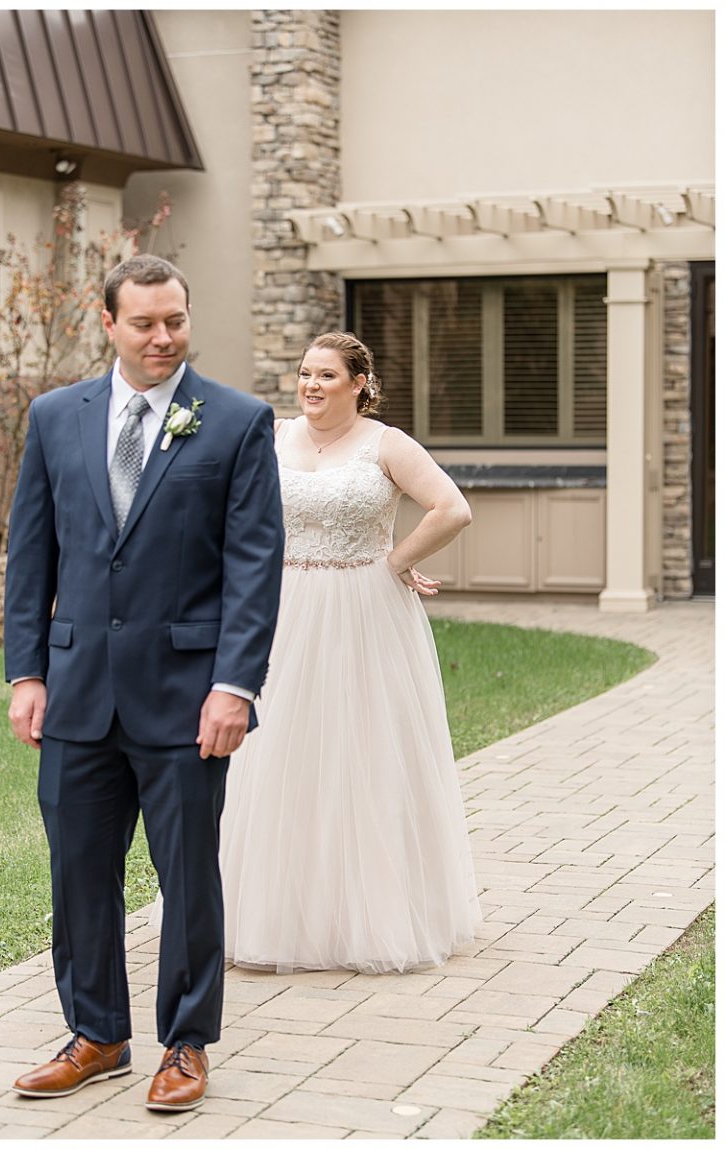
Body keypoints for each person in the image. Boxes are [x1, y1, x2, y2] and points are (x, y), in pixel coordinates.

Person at [3, 255, 285, 1112]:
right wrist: (26, 671)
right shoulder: (55, 417)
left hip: (187, 697)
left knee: (187, 873)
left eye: (176, 321)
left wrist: (234, 684)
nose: (163, 338)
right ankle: (97, 1034)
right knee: (78, 871)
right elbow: (31, 554)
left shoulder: (236, 421)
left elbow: (254, 565)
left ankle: (187, 1043)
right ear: (109, 322)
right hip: (78, 689)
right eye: (145, 324)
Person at [217, 331, 482, 973]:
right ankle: (268, 912)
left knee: (362, 751)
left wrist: (395, 561)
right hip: (280, 609)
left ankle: (371, 916)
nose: (310, 385)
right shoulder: (272, 435)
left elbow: (452, 509)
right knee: (277, 752)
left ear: (359, 383)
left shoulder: (386, 444)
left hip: (365, 610)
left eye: (326, 376)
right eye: (305, 374)